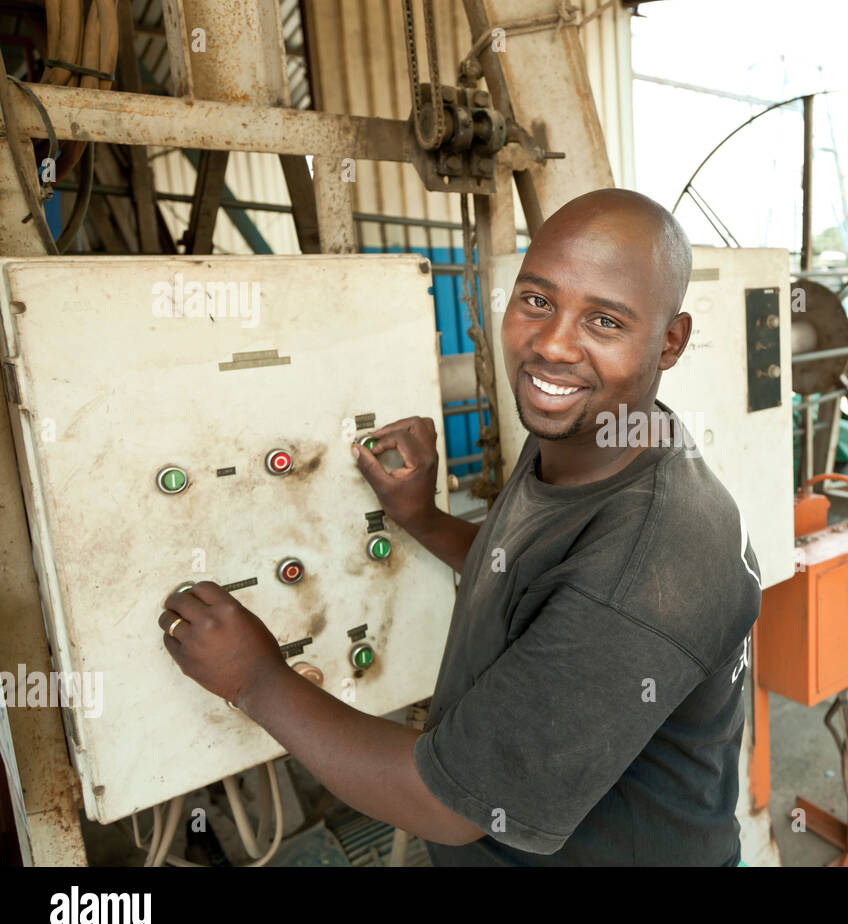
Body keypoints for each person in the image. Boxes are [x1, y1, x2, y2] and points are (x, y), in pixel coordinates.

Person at [157, 187, 763, 867]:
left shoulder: (653, 566)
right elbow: (546, 588)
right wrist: (423, 518)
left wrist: (256, 678)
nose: (553, 346)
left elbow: (444, 807)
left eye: (604, 321)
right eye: (538, 300)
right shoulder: (597, 438)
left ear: (670, 341)